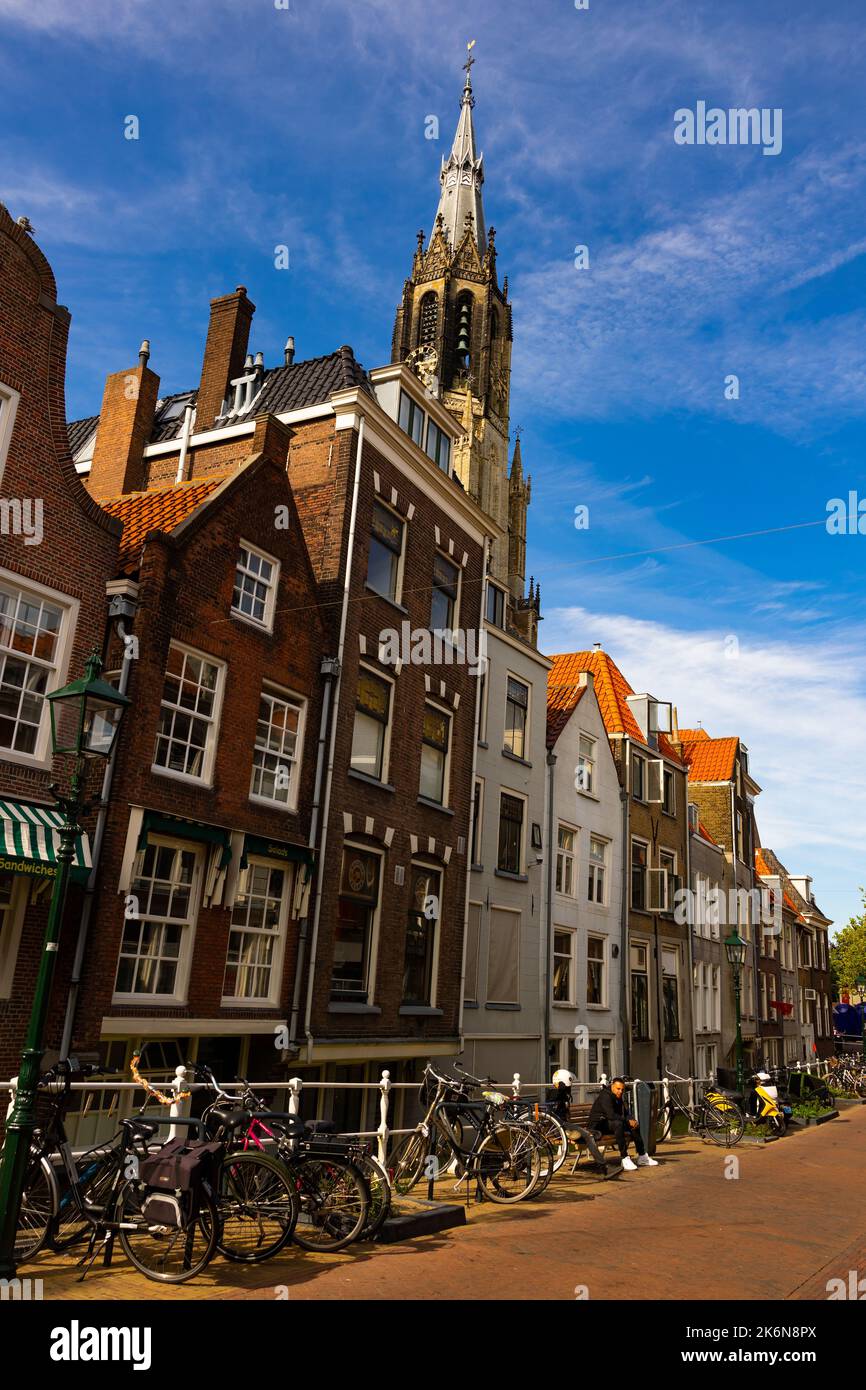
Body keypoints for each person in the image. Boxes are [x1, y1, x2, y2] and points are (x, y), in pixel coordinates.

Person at [550, 1069, 620, 1178]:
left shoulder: (563, 1095)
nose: (570, 1087)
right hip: (561, 1128)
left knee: (594, 1134)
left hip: (565, 1126)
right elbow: (555, 1114)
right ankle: (604, 1168)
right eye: (568, 1085)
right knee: (589, 1136)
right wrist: (561, 1091)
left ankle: (603, 1166)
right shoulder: (557, 1095)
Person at [587, 1076, 658, 1171]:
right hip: (597, 1126)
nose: (620, 1091)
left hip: (608, 1123)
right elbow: (611, 1115)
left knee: (634, 1125)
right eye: (618, 1089)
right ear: (612, 1086)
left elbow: (624, 1112)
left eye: (622, 1089)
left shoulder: (617, 1096)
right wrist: (627, 1121)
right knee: (618, 1124)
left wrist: (631, 1120)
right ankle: (624, 1158)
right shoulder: (605, 1096)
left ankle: (642, 1156)